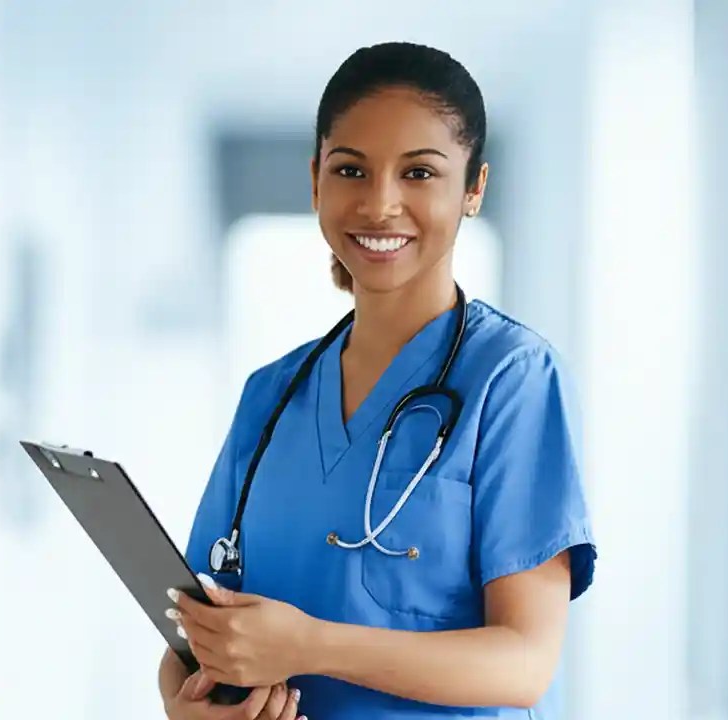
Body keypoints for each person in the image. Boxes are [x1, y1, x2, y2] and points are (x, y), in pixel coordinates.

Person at [156, 41, 597, 720]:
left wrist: (310, 645)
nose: (380, 204)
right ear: (315, 181)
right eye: (351, 170)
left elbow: (524, 663)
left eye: (419, 173)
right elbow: (202, 626)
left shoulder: (511, 380)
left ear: (473, 189)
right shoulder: (272, 395)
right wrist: (184, 708)